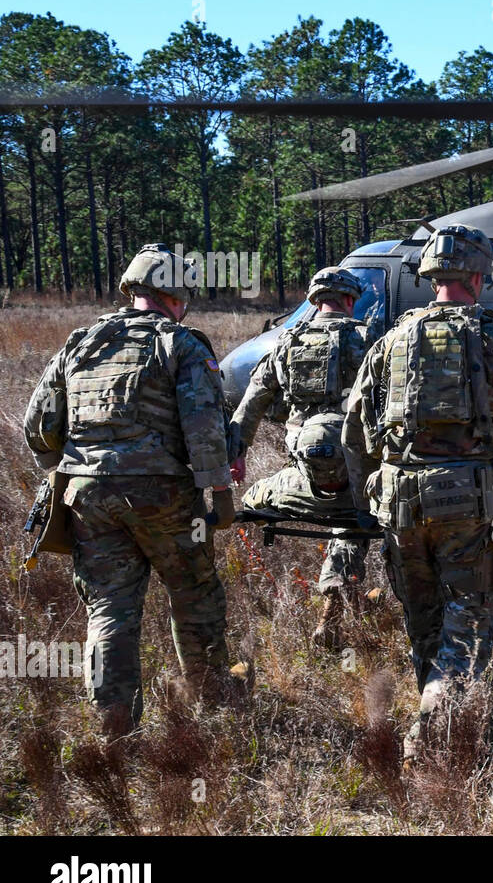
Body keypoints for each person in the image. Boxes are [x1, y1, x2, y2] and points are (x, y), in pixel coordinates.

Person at [341, 223, 493, 757]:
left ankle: (436, 718)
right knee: (466, 625)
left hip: (401, 506)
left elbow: (355, 431)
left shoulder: (389, 342)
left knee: (424, 622)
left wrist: (369, 502)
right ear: (479, 278)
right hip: (471, 507)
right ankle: (433, 733)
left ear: (430, 275)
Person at [23, 243, 246, 735]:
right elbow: (205, 429)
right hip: (163, 496)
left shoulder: (81, 341)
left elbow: (37, 425)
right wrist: (222, 500)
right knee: (194, 591)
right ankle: (211, 702)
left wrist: (66, 470)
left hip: (87, 497)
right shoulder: (181, 344)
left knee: (109, 607)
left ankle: (114, 726)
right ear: (176, 294)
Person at [230, 266, 376, 648]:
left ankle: (336, 604)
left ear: (314, 302)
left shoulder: (287, 343)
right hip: (363, 489)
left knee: (252, 499)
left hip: (304, 484)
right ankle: (339, 597)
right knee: (352, 525)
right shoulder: (371, 339)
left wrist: (238, 455)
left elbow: (250, 405)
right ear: (350, 300)